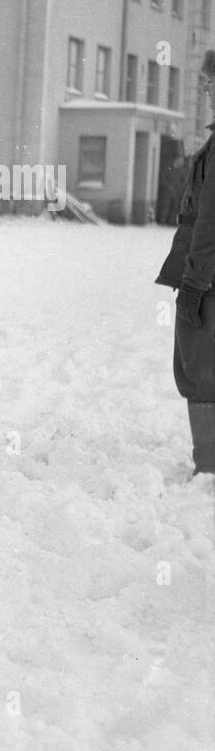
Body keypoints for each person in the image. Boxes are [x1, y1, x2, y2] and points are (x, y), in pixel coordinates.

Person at [156, 48, 215, 475]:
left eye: (210, 82)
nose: (206, 90)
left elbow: (210, 222)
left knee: (198, 369)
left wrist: (194, 283)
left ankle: (209, 466)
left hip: (207, 278)